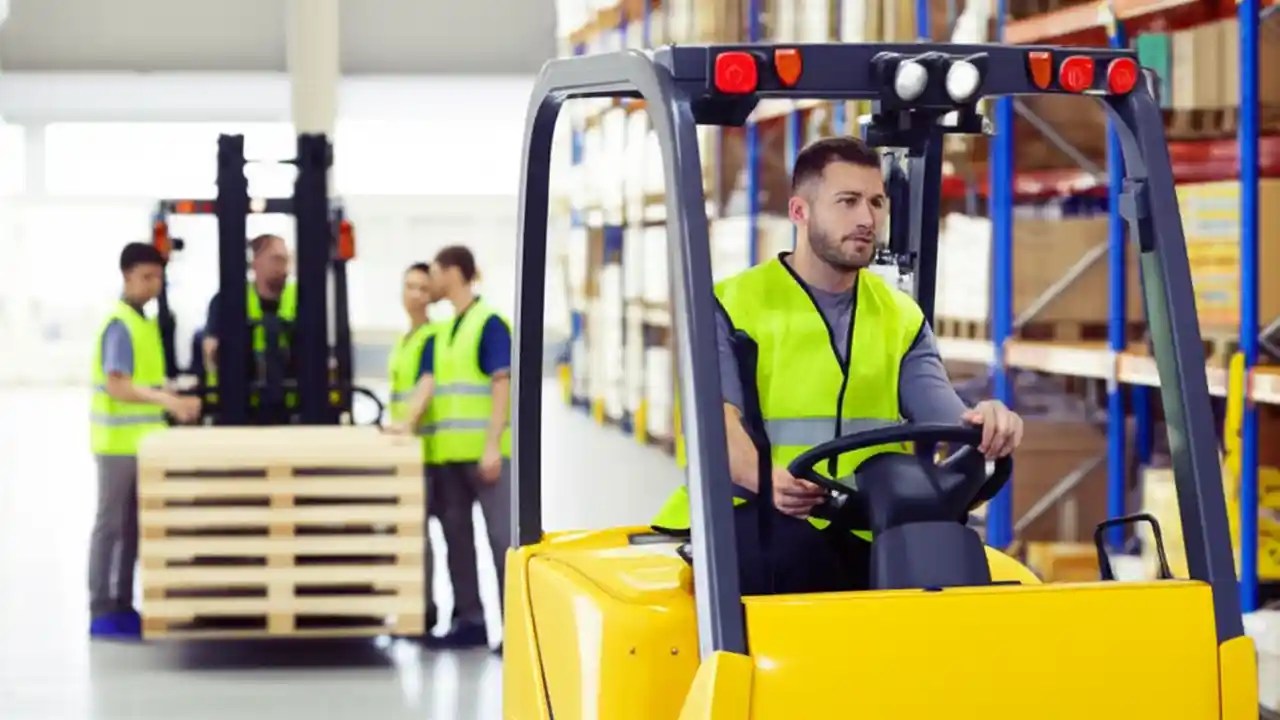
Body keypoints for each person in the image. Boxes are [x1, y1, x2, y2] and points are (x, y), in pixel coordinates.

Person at [650, 136, 1025, 595]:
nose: (867, 219)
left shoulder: (900, 316)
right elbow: (715, 423)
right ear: (800, 211)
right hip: (754, 510)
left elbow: (944, 414)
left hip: (860, 520)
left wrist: (986, 422)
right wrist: (765, 479)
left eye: (876, 203)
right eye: (847, 202)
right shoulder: (731, 306)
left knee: (948, 571)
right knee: (792, 560)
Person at [392, 245, 511, 652]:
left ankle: (515, 630)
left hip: (487, 455)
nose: (430, 282)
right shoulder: (442, 332)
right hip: (448, 458)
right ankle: (470, 621)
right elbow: (428, 384)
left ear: (453, 273)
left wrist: (492, 444)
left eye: (435, 273)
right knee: (457, 541)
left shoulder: (489, 322)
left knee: (501, 541)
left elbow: (502, 383)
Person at [89, 242, 202, 639]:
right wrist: (168, 401)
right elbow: (118, 386)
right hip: (118, 445)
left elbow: (146, 381)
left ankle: (122, 604)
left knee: (132, 528)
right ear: (127, 276)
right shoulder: (120, 323)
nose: (153, 285)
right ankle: (102, 609)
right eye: (146, 277)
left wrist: (175, 391)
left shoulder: (145, 322)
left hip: (143, 444)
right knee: (112, 527)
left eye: (158, 278)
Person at [385, 262, 447, 639]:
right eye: (410, 286)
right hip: (403, 449)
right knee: (408, 531)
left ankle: (424, 610)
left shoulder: (431, 337)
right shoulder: (405, 338)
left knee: (417, 533)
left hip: (424, 449)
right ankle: (416, 608)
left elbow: (427, 384)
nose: (415, 295)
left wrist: (407, 424)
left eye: (423, 288)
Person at [202, 234, 297, 420]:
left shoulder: (301, 298)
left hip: (292, 408)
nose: (283, 268)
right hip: (239, 408)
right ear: (255, 262)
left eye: (286, 260)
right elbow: (211, 352)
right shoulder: (228, 300)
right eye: (276, 259)